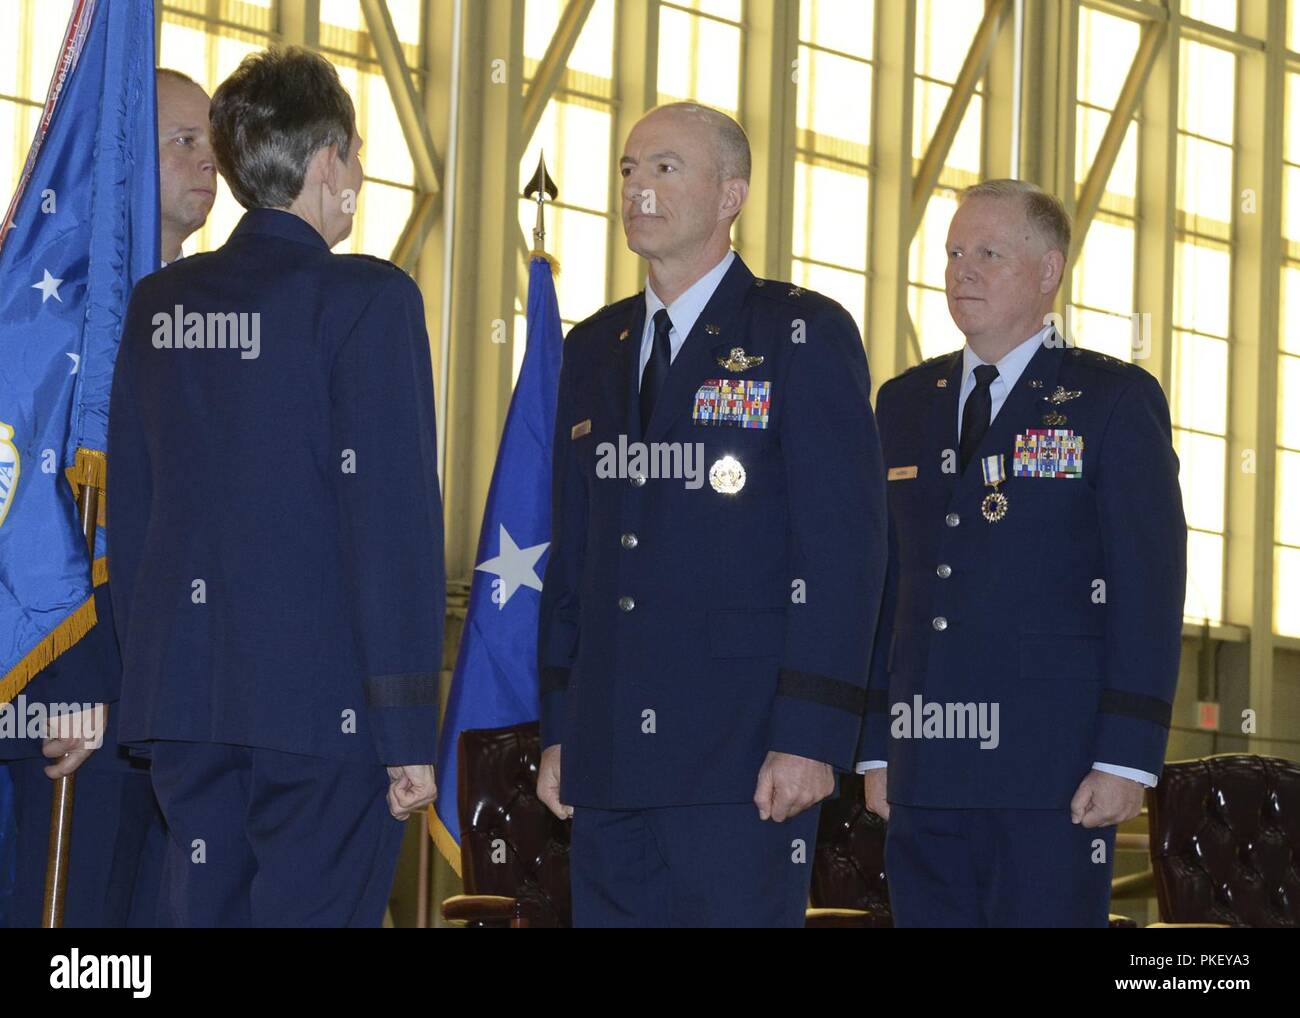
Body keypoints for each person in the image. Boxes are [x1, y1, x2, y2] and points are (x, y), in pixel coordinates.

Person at [107, 46, 443, 927]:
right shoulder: (369, 298)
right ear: (327, 159)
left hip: (186, 707)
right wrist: (408, 728)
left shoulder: (160, 303)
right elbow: (393, 529)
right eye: (359, 156)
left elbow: (134, 517)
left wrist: (149, 688)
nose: (360, 177)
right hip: (325, 717)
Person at [536, 102, 888, 927]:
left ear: (731, 197)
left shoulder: (800, 333)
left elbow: (845, 551)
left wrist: (811, 733)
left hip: (743, 753)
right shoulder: (593, 348)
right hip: (611, 749)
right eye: (628, 169)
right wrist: (561, 727)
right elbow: (576, 556)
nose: (638, 189)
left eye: (665, 168)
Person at [857, 179, 1187, 927]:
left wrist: (1127, 757)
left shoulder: (1112, 400)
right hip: (924, 762)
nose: (962, 270)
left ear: (1049, 272)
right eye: (953, 252)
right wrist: (875, 745)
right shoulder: (904, 404)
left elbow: (1149, 588)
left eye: (989, 253)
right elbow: (883, 586)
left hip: (1053, 770)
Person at [0, 67, 216, 929]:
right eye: (185, 141)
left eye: (216, 143)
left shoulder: (204, 315)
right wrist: (63, 698)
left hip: (182, 718)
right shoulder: (51, 331)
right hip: (76, 714)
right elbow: (27, 525)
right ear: (123, 155)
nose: (211, 162)